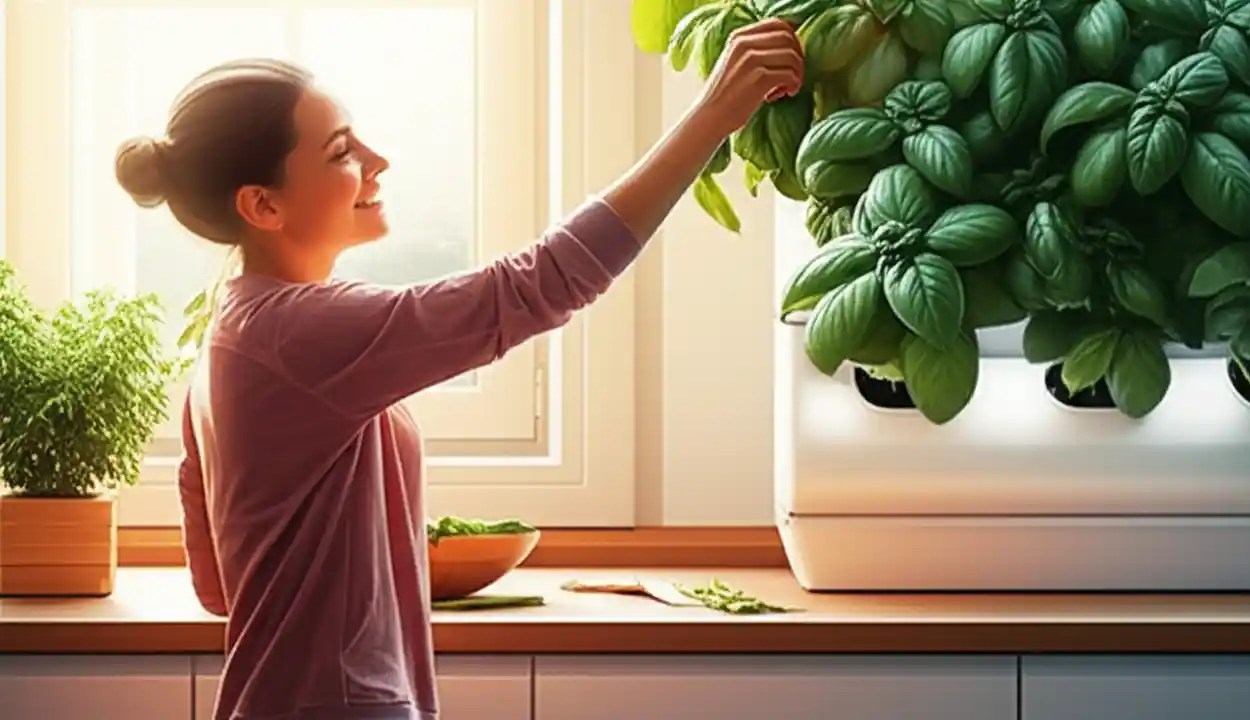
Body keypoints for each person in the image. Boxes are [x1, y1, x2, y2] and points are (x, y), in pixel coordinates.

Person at [113, 18, 803, 720]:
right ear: (263, 204)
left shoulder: (230, 338)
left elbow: (219, 589)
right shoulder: (299, 333)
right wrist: (712, 116)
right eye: (342, 151)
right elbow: (540, 284)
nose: (377, 161)